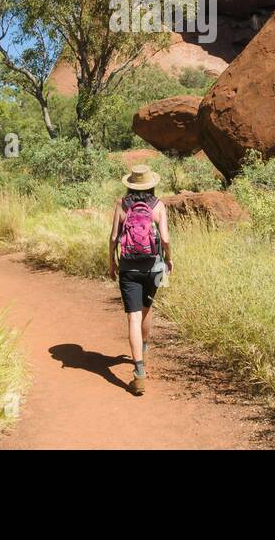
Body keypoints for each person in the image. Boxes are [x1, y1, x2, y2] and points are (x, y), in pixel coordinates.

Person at [108, 163, 172, 396]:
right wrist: (169, 260)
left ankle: (139, 372)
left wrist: (111, 263)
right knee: (147, 309)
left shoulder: (122, 205)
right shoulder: (158, 206)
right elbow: (164, 238)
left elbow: (114, 237)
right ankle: (143, 351)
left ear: (130, 185)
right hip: (153, 267)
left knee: (133, 318)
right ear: (151, 184)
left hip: (128, 268)